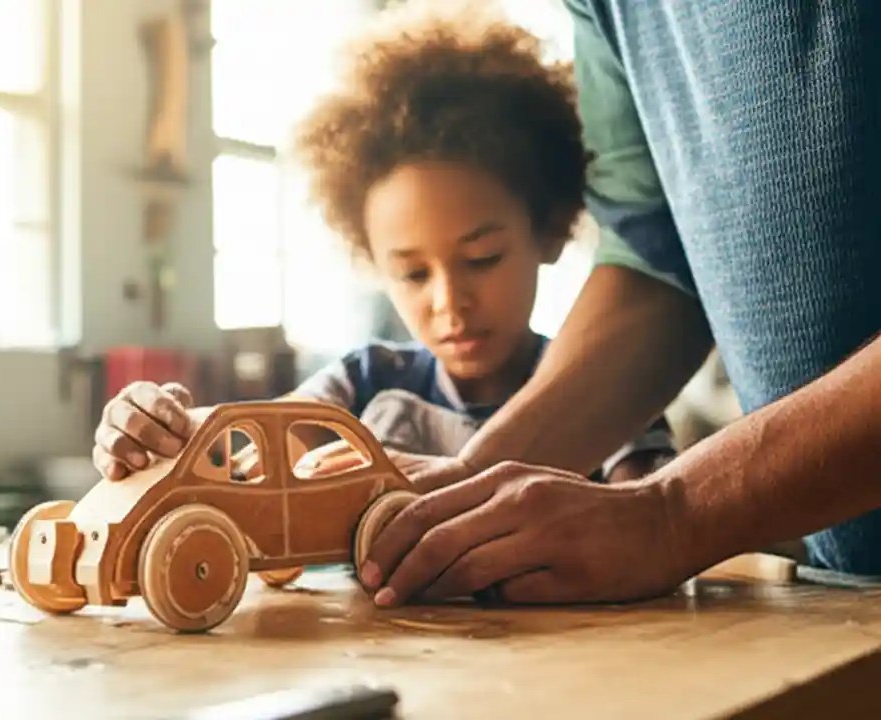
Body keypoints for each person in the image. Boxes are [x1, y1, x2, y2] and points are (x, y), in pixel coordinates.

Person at [358, 0, 881, 609]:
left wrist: (671, 514)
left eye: (482, 258)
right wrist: (477, 478)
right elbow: (659, 264)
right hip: (852, 588)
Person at [90, 9, 674, 510]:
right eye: (414, 274)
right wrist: (153, 431)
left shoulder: (609, 386)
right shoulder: (363, 384)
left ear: (548, 230)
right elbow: (236, 466)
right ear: (372, 261)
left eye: (483, 257)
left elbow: (645, 523)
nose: (449, 303)